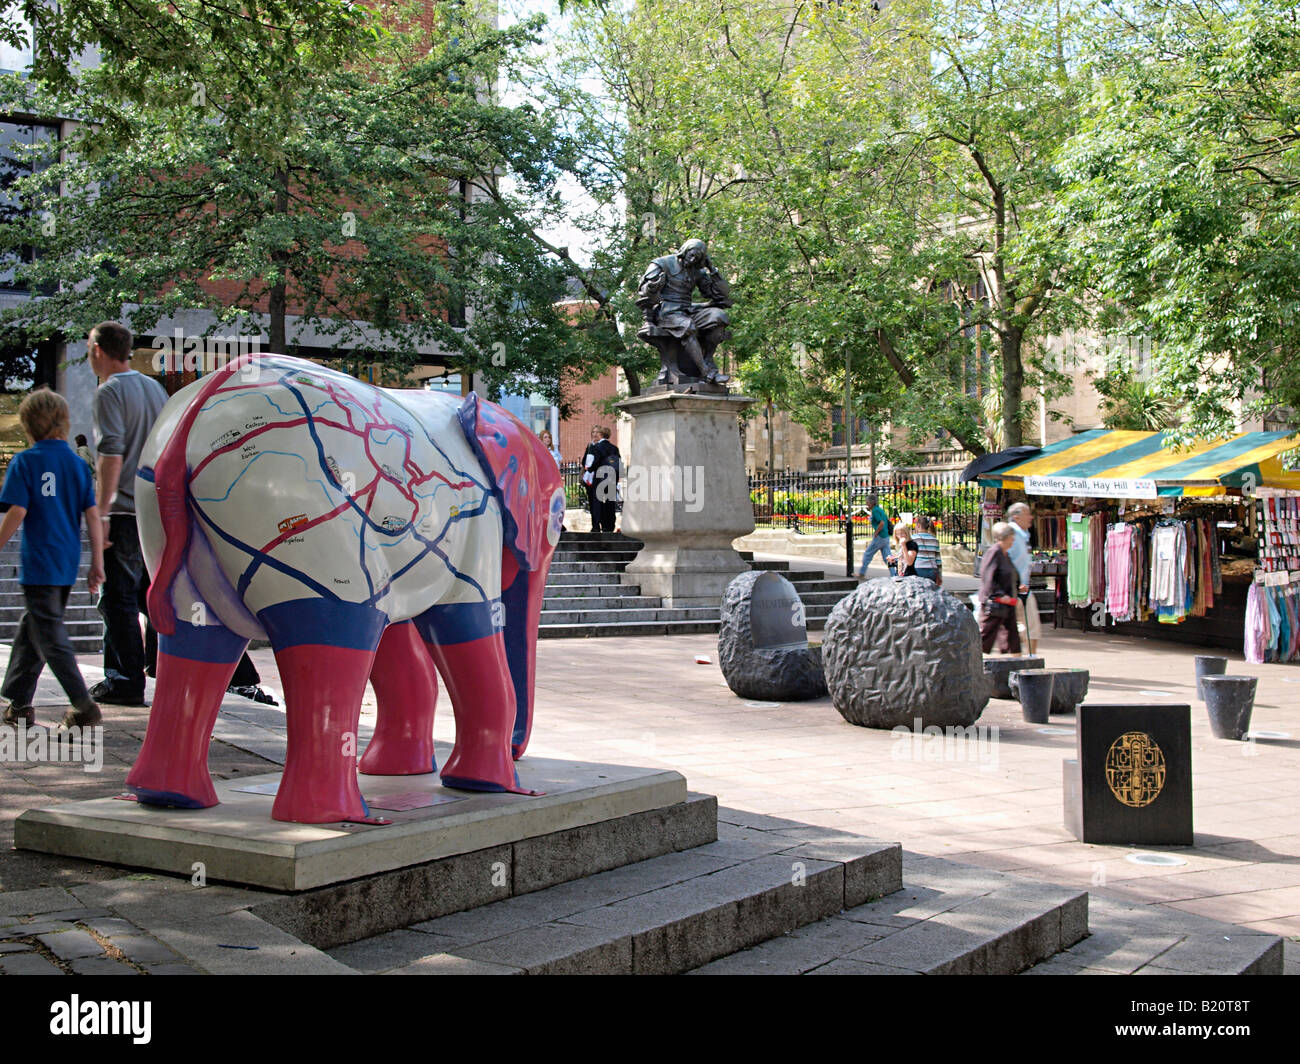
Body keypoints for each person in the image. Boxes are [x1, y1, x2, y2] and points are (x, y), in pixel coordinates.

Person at [0, 390, 105, 729]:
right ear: (63, 421)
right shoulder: (77, 463)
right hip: (66, 562)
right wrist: (97, 562)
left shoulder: (25, 462)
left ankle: (83, 705)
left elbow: (17, 509)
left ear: (28, 423)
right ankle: (18, 701)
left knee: (49, 634)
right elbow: (91, 514)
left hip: (38, 562)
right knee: (34, 626)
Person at [88, 321, 169, 706]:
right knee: (145, 596)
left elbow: (111, 454)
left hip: (121, 510)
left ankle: (124, 680)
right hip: (152, 511)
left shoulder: (109, 392)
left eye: (90, 347)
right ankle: (156, 668)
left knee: (116, 598)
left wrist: (100, 513)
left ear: (99, 350)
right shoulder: (154, 388)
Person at [980, 522, 1022, 654]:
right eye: (1011, 536)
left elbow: (1009, 575)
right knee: (985, 637)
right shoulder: (993, 553)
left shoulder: (1005, 555)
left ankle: (1014, 663)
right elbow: (988, 577)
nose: (1013, 539)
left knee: (1011, 638)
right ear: (1005, 537)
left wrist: (1019, 586)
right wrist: (999, 595)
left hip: (1007, 604)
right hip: (995, 604)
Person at [1007, 501, 1040, 654]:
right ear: (1016, 517)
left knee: (1030, 627)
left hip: (1023, 589)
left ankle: (1030, 658)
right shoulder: (1011, 536)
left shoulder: (1023, 536)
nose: (1031, 517)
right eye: (1027, 514)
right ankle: (1021, 660)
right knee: (1020, 627)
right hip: (1015, 588)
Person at [590, 426, 621, 533]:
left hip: (600, 478)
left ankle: (598, 525)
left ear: (601, 435)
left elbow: (595, 462)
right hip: (612, 478)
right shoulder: (615, 448)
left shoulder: (597, 447)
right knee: (610, 502)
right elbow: (618, 464)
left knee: (598, 502)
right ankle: (609, 525)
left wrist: (589, 469)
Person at [857, 493, 892, 578]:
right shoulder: (879, 509)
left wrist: (876, 532)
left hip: (880, 536)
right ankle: (894, 573)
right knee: (888, 557)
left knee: (868, 554)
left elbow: (881, 522)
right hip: (885, 536)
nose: (866, 504)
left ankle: (862, 572)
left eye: (867, 502)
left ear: (871, 503)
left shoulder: (875, 510)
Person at [912, 515, 944, 586]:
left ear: (918, 525)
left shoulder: (913, 539)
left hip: (918, 568)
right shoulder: (934, 540)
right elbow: (938, 560)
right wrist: (939, 575)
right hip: (932, 570)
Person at [581, 426, 601, 530]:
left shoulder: (601, 446)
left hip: (599, 478)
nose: (595, 434)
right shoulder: (590, 446)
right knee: (592, 503)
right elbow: (583, 461)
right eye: (593, 432)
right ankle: (595, 526)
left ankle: (601, 525)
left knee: (599, 504)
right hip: (590, 479)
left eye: (597, 432)